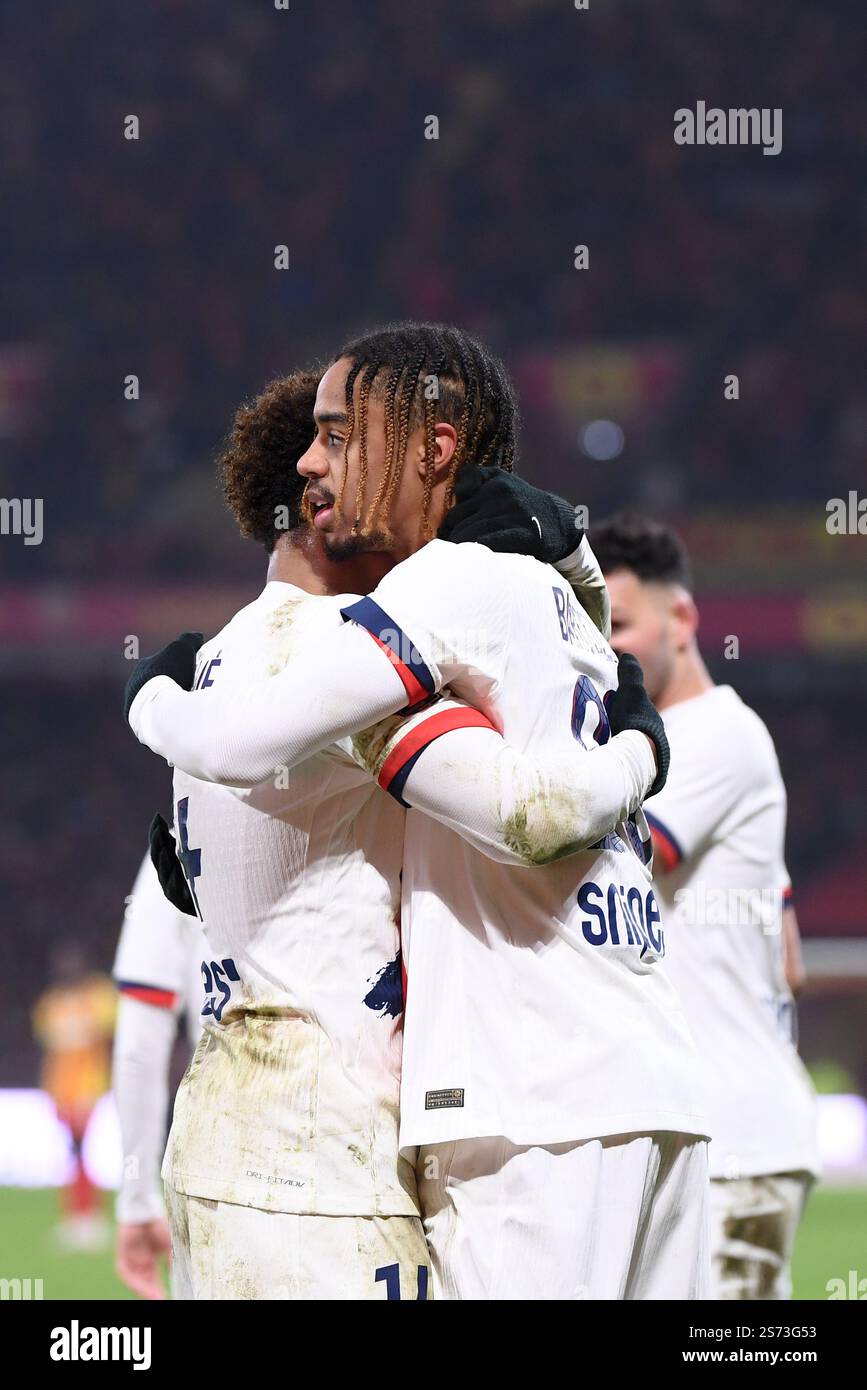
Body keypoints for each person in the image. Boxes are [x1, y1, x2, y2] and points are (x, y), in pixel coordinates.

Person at [127, 323, 708, 1300]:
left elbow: (525, 810)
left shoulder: (370, 628)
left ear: (430, 449)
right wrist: (643, 736)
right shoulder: (549, 605)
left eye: (341, 438)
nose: (320, 463)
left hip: (508, 1103)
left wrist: (150, 691)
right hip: (640, 1082)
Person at [589, 510, 820, 1300]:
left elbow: (624, 852)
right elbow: (786, 956)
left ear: (680, 618)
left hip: (736, 1135)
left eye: (618, 623)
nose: (604, 646)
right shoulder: (710, 745)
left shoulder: (712, 733)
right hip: (704, 1123)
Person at [112, 850, 208, 1299]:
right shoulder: (382, 805)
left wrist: (138, 1200)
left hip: (226, 1170)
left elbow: (137, 1051)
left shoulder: (180, 835)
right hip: (374, 1144)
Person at [32, 948, 116, 1250]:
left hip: (88, 1085)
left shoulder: (98, 995)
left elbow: (104, 1031)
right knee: (72, 1152)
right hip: (61, 1088)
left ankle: (88, 1217)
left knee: (81, 1149)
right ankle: (78, 1216)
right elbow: (51, 1045)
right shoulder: (52, 1002)